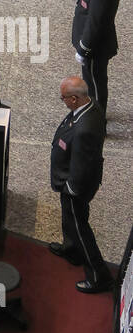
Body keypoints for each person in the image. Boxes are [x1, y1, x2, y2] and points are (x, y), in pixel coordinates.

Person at [49, 76, 113, 293]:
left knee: (79, 227)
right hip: (70, 179)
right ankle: (72, 250)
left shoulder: (85, 130)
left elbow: (81, 166)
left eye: (64, 98)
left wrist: (70, 190)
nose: (63, 101)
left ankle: (98, 275)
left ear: (75, 99)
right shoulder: (90, 105)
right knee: (69, 221)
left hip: (75, 188)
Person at [71, 0, 122, 114]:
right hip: (97, 41)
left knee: (95, 84)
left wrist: (83, 50)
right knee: (94, 81)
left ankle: (98, 120)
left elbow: (95, 24)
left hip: (95, 49)